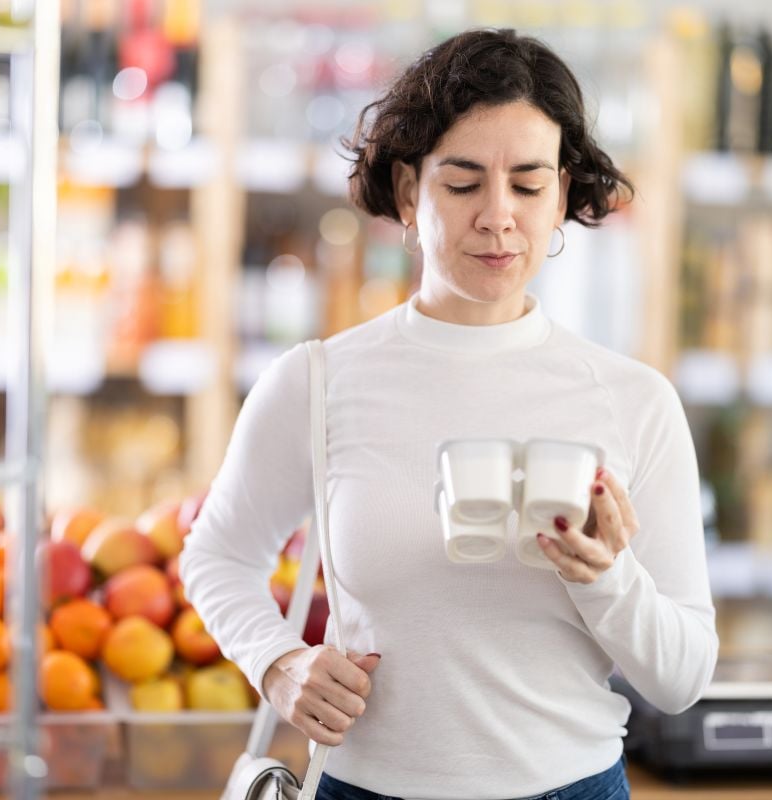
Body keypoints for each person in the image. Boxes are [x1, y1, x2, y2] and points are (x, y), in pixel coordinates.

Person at [181, 28, 717, 800]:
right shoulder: (318, 381)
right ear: (408, 191)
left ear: (563, 195)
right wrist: (276, 660)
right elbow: (217, 554)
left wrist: (609, 580)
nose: (498, 218)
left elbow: (682, 677)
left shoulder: (634, 400)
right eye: (463, 184)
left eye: (529, 186)